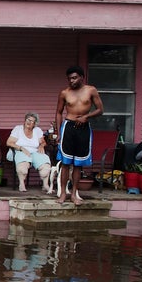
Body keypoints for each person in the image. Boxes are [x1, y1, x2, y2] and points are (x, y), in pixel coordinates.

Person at [53, 65, 103, 206]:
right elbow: (58, 112)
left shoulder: (91, 90)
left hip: (83, 128)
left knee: (78, 164)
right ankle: (63, 193)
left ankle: (74, 194)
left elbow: (100, 110)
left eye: (74, 78)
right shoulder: (64, 93)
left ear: (82, 77)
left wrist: (86, 116)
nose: (72, 81)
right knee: (65, 163)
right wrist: (58, 132)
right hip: (68, 127)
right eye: (69, 79)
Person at [6, 112, 53, 193]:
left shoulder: (37, 130)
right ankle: (22, 184)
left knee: (45, 165)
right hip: (19, 151)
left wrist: (41, 146)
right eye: (28, 120)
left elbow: (43, 142)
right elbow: (9, 142)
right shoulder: (18, 129)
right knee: (23, 168)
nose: (29, 122)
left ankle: (45, 185)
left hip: (34, 152)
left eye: (32, 121)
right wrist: (21, 148)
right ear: (25, 120)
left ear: (35, 124)